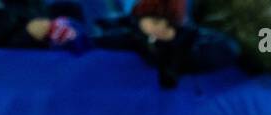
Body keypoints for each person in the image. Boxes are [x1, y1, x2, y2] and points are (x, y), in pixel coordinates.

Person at [94, 0, 240, 88]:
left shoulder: (186, 43)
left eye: (170, 25)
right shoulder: (133, 32)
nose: (162, 29)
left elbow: (227, 49)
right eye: (156, 22)